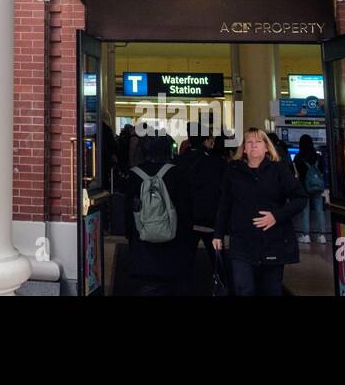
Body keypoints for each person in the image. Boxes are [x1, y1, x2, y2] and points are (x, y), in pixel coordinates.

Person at [212, 128, 307, 296]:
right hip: (242, 240)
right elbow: (224, 203)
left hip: (273, 239)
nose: (254, 145)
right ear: (244, 149)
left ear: (266, 147)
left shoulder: (279, 170)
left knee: (271, 289)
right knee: (244, 288)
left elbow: (300, 198)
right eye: (249, 142)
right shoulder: (233, 171)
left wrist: (276, 216)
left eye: (258, 142)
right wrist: (218, 234)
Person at [125, 132, 194, 295]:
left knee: (146, 283)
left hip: (143, 241)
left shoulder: (134, 174)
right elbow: (185, 208)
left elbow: (129, 209)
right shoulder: (176, 173)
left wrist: (131, 233)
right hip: (171, 241)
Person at [177, 127, 226, 280]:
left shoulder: (179, 161)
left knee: (185, 260)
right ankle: (221, 283)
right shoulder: (217, 162)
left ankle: (183, 286)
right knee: (218, 261)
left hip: (186, 219)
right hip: (210, 219)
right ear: (205, 141)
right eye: (210, 137)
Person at [294, 134, 329, 244]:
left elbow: (296, 174)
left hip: (303, 187)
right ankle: (322, 235)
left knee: (305, 211)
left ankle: (306, 235)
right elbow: (323, 170)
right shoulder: (317, 156)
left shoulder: (298, 157)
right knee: (320, 211)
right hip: (317, 187)